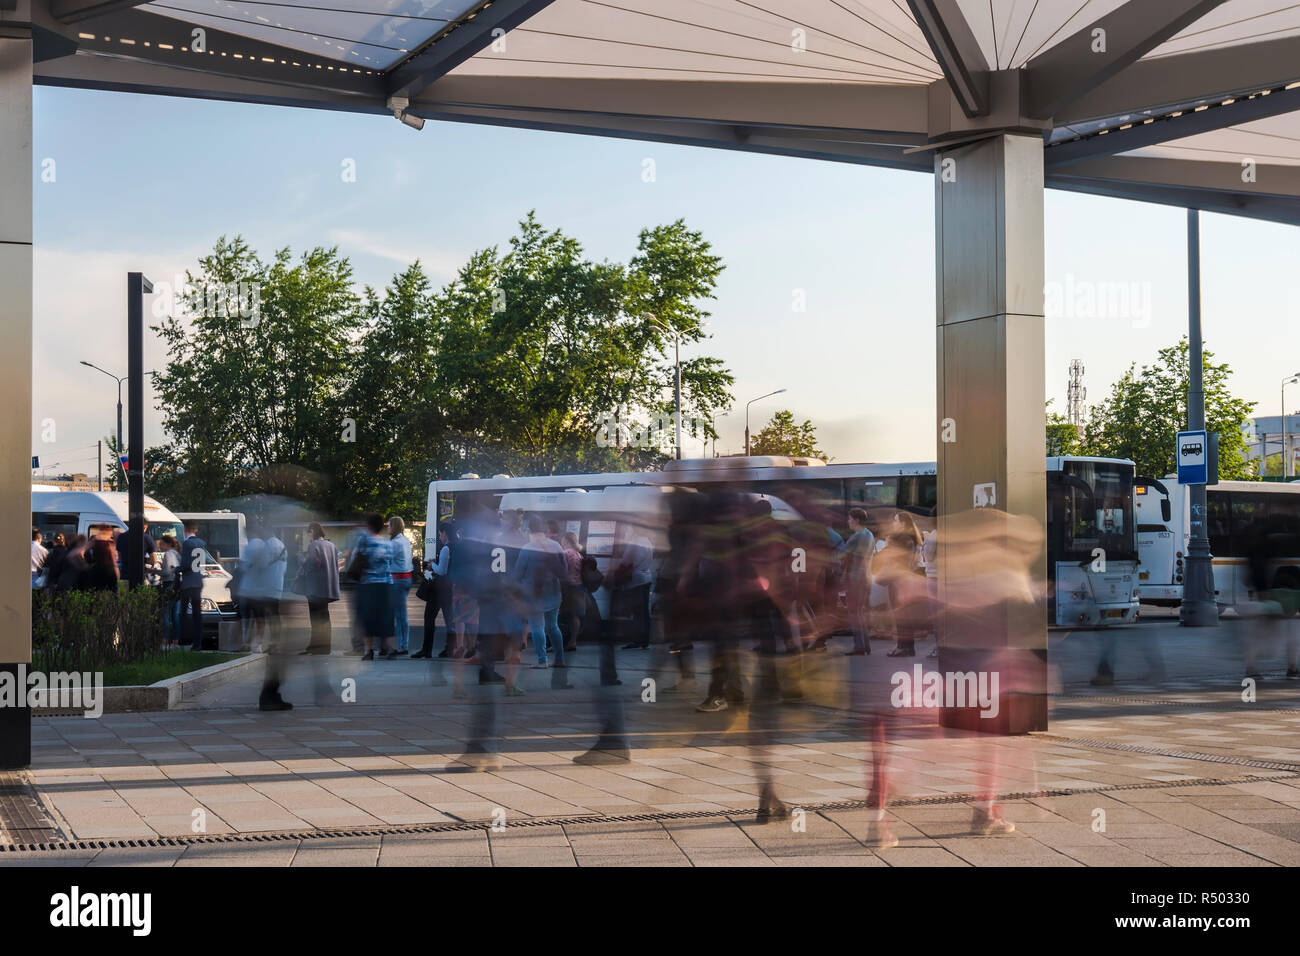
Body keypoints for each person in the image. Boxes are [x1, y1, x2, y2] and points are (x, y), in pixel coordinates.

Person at [514, 514, 568, 676]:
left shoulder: (527, 548)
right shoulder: (556, 546)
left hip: (533, 595)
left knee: (537, 627)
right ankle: (560, 659)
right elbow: (564, 571)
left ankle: (542, 660)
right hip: (554, 592)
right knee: (553, 626)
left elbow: (517, 574)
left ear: (529, 530)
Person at [878, 511, 926, 657]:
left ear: (903, 524)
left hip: (899, 580)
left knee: (901, 616)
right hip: (905, 579)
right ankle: (905, 647)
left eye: (896, 520)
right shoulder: (909, 538)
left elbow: (897, 560)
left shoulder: (902, 539)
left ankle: (903, 647)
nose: (893, 523)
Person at [350, 513, 396, 660]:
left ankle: (369, 651)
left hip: (368, 584)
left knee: (367, 617)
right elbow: (391, 562)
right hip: (386, 585)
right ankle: (389, 648)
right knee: (386, 617)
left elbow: (354, 559)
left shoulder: (364, 542)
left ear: (368, 526)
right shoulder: (388, 543)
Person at [837, 508, 876, 656]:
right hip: (866, 576)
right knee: (860, 612)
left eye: (850, 518)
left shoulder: (856, 536)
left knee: (853, 612)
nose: (848, 521)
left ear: (857, 520)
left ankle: (859, 646)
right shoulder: (870, 535)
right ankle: (865, 645)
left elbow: (841, 555)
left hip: (854, 578)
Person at [299, 522, 340, 655]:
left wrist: (300, 559)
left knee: (315, 618)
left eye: (308, 532)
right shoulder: (331, 546)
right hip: (328, 587)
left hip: (315, 588)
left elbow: (311, 566)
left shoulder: (313, 545)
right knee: (324, 617)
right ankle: (324, 647)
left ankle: (317, 647)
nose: (308, 535)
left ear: (312, 531)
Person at [413, 524, 452, 659]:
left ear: (445, 533)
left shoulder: (446, 548)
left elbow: (441, 570)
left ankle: (426, 649)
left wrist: (431, 565)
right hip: (449, 588)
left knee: (429, 618)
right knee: (449, 619)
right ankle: (450, 648)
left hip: (439, 589)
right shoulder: (454, 546)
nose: (440, 536)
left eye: (440, 533)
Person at [179, 520, 207, 651]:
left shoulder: (186, 543)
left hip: (188, 581)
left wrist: (176, 569)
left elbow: (185, 564)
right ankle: (198, 643)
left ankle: (183, 639)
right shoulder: (202, 543)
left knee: (183, 612)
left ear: (186, 529)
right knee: (197, 614)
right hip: (198, 580)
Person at [388, 516, 414, 656]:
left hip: (397, 580)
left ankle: (402, 646)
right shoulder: (405, 541)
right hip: (406, 578)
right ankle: (402, 644)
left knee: (399, 615)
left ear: (394, 526)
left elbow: (385, 559)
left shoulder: (395, 543)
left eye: (389, 525)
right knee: (400, 614)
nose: (387, 527)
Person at [559, 532, 586, 653]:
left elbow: (561, 572)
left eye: (562, 540)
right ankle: (573, 641)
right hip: (579, 587)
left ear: (566, 541)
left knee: (563, 616)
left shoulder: (566, 553)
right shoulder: (579, 555)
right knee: (575, 616)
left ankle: (561, 641)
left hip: (568, 588)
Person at [158, 534, 182, 647]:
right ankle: (176, 641)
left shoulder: (168, 554)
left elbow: (168, 572)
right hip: (177, 585)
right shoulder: (177, 554)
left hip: (169, 584)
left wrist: (154, 571)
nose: (160, 547)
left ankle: (164, 640)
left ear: (168, 544)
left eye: (161, 544)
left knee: (166, 614)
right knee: (175, 615)